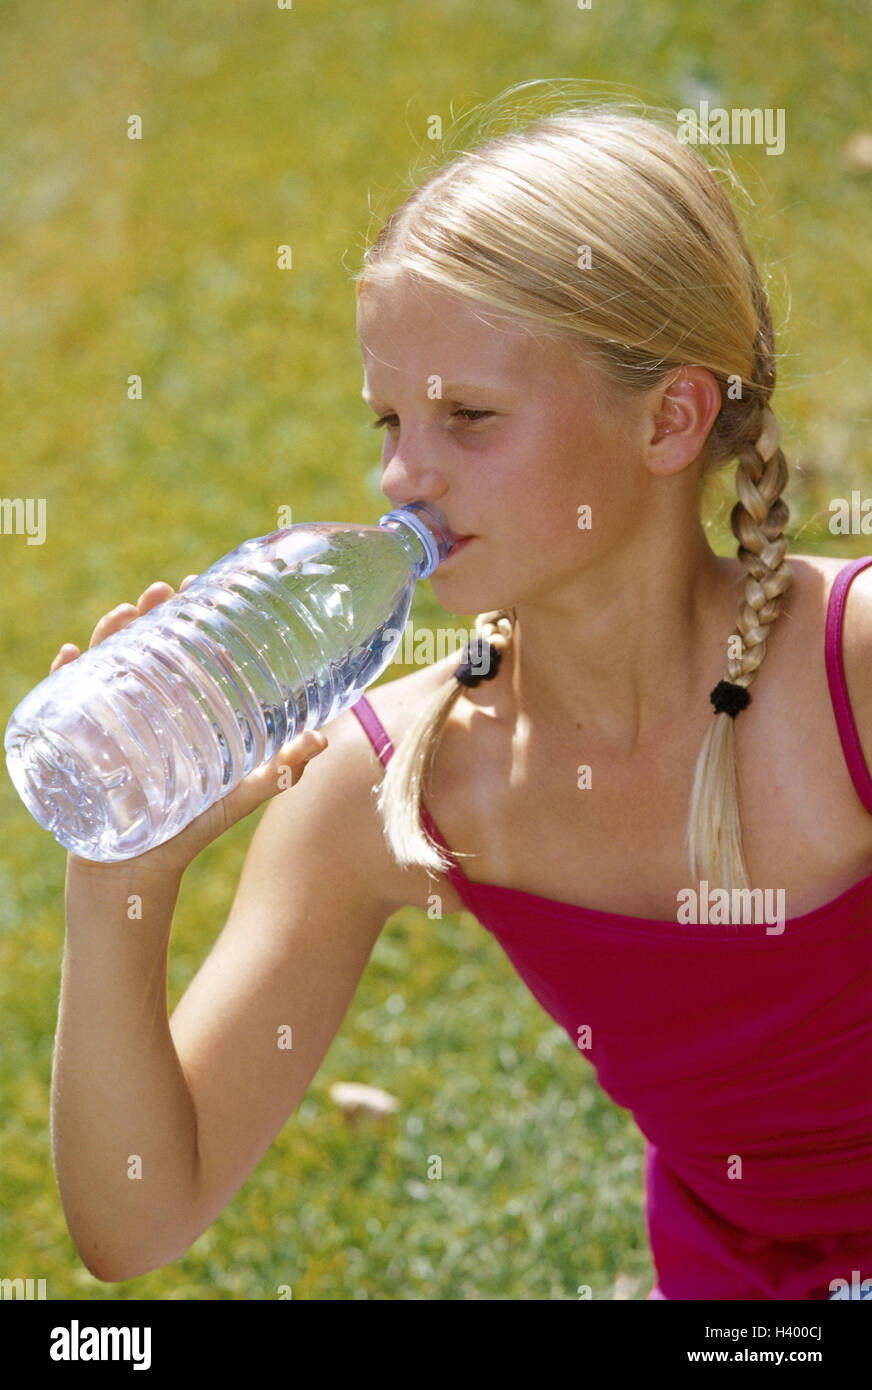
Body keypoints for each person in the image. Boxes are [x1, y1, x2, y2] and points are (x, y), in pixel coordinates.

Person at [51, 103, 872, 1299]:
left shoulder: (847, 669)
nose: (401, 475)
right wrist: (117, 884)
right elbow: (137, 1219)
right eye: (390, 421)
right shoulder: (400, 781)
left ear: (668, 417)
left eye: (466, 417)